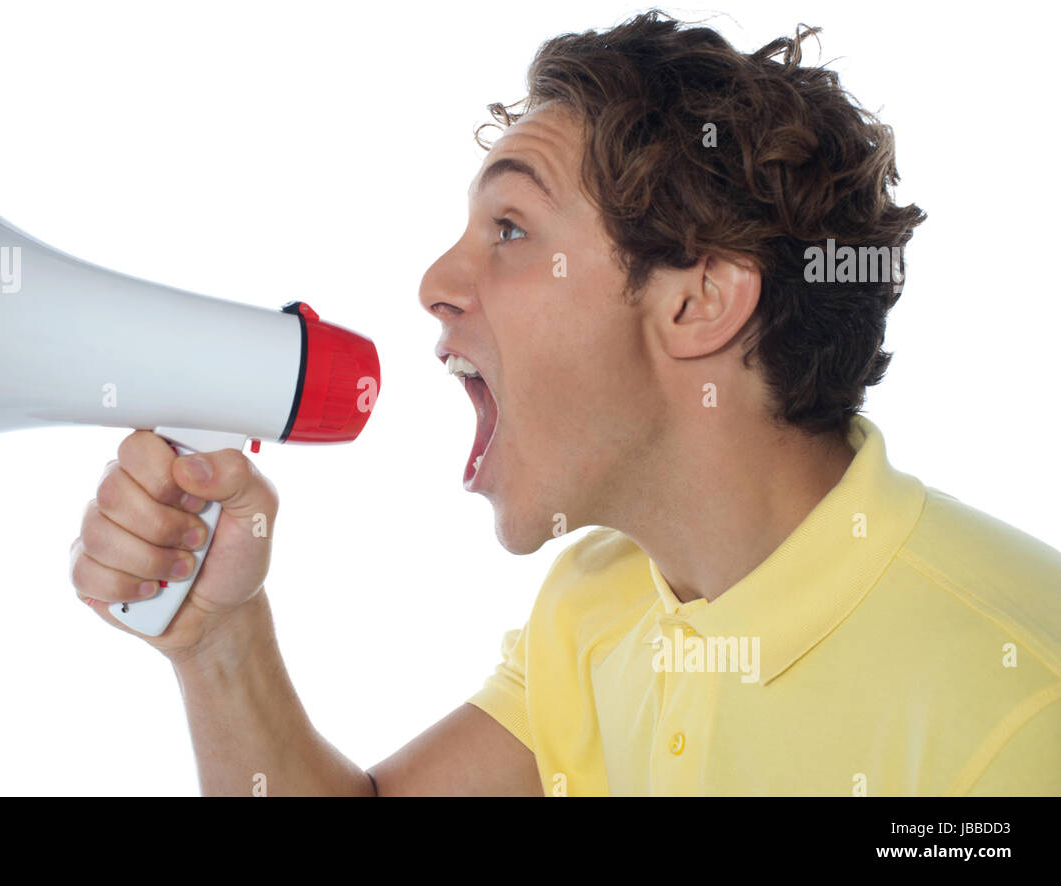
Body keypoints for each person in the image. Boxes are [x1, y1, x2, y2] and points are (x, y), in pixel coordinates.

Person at [67, 11, 1061, 796]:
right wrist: (218, 642)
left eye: (508, 226)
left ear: (696, 300)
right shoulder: (599, 604)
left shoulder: (1020, 707)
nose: (433, 281)